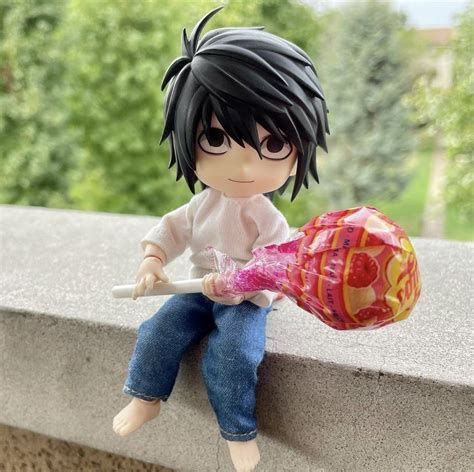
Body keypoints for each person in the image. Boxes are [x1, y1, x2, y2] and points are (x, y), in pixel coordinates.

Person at [112, 7, 328, 471]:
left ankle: (237, 431)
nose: (244, 166)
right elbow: (171, 230)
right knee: (159, 331)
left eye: (273, 145)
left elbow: (276, 267)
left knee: (234, 354)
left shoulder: (267, 217)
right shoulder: (203, 204)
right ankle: (146, 396)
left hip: (245, 299)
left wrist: (241, 284)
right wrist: (153, 260)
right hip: (197, 288)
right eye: (215, 139)